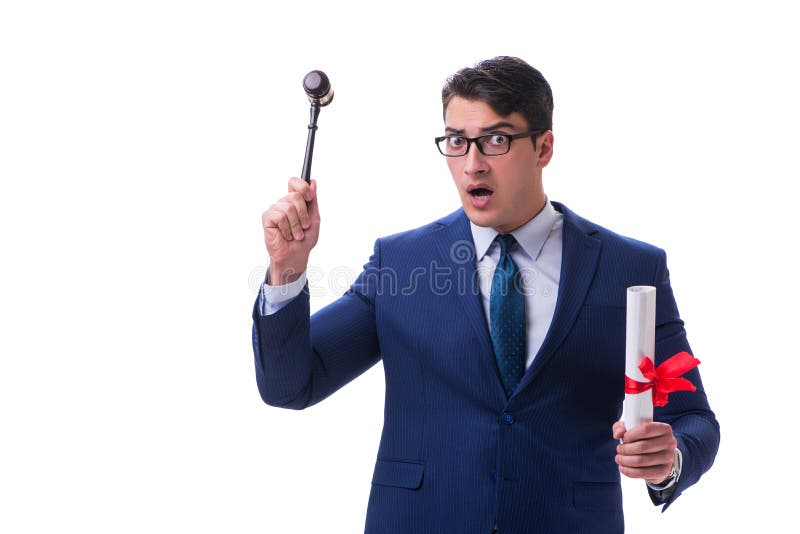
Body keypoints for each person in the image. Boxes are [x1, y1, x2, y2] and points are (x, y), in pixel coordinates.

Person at [252, 56, 719, 534]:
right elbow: (291, 385)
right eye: (457, 141)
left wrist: (671, 459)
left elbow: (694, 418)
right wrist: (287, 268)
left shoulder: (629, 268)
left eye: (496, 140)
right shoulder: (402, 263)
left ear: (543, 147)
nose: (472, 164)